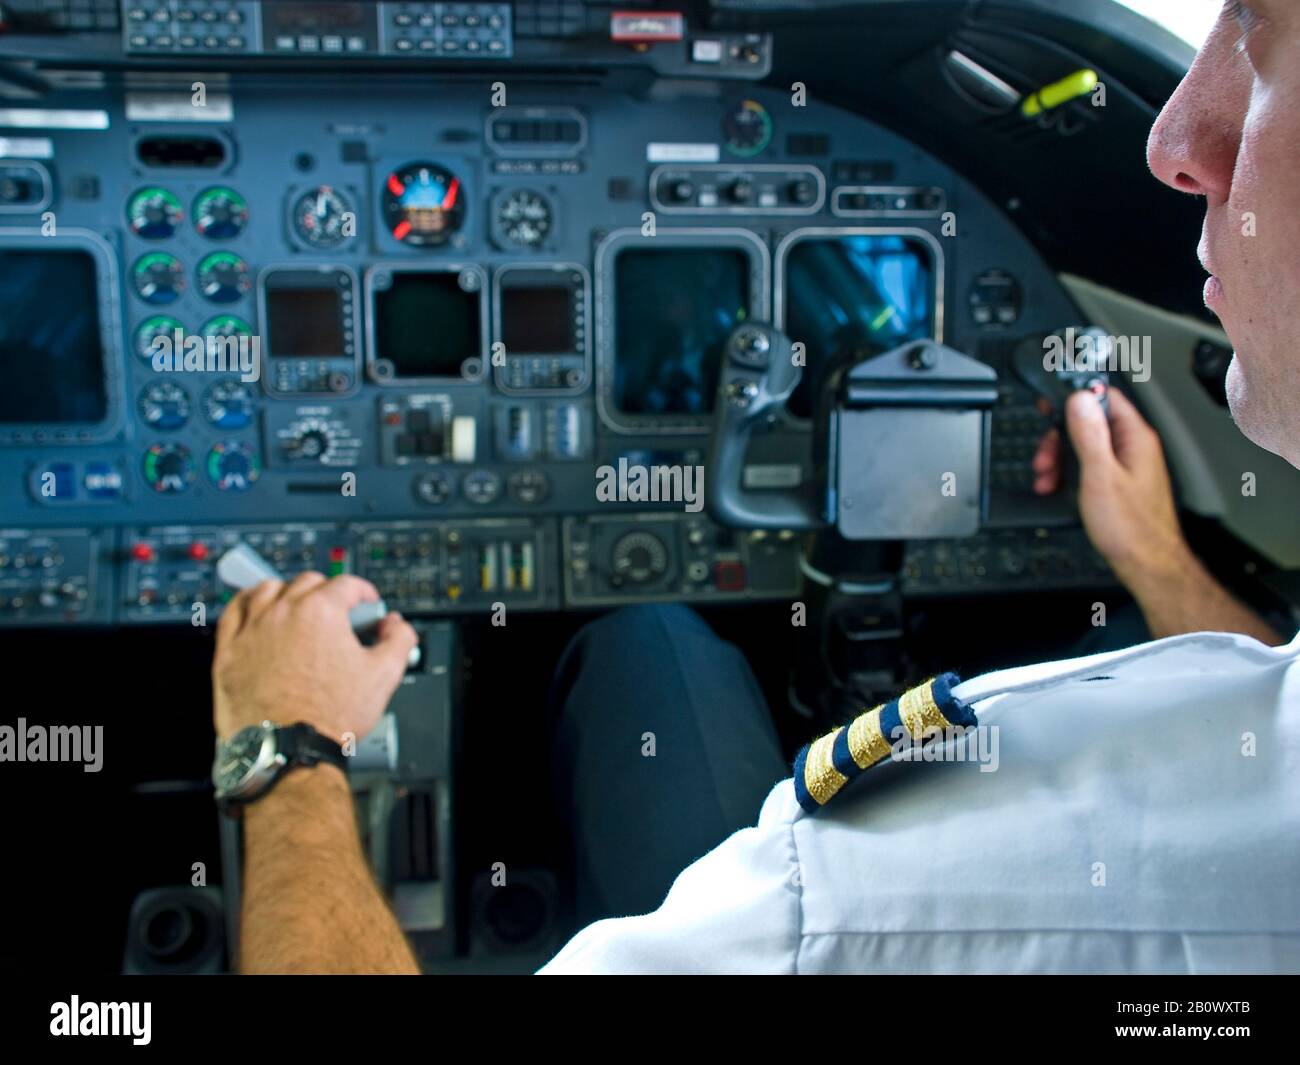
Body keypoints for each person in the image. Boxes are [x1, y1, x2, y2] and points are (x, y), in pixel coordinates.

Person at [213, 0, 1299, 973]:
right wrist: (1152, 557)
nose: (1167, 143)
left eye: (1256, 34)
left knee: (652, 640)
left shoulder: (837, 908)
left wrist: (288, 742)